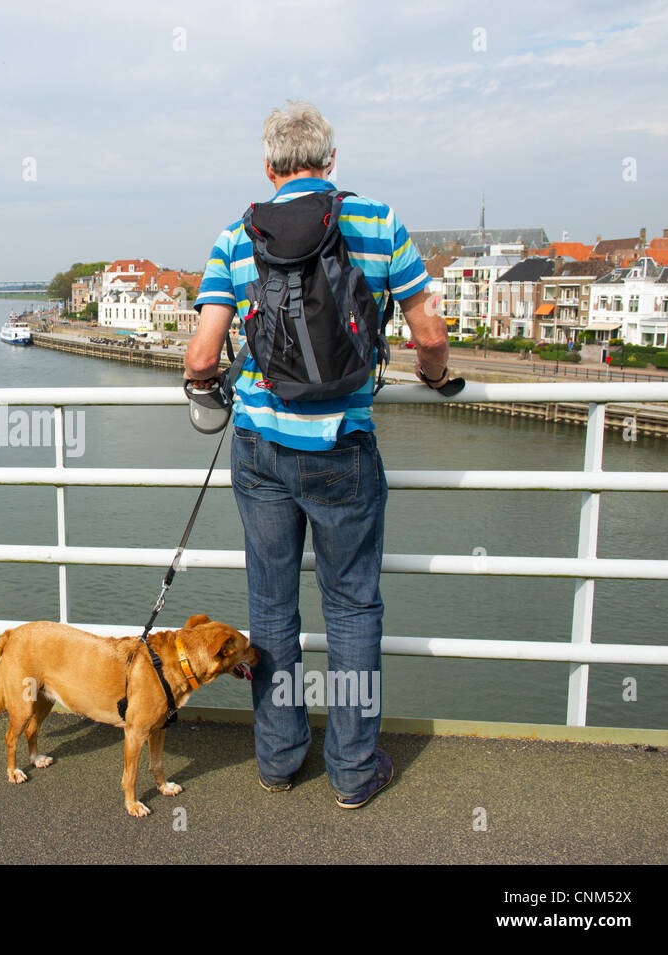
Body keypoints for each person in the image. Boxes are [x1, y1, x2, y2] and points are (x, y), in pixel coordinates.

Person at [183, 101, 451, 809]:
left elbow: (202, 354)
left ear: (269, 169)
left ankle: (276, 759)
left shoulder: (237, 236)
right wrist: (435, 377)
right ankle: (354, 772)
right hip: (345, 448)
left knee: (271, 610)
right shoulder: (378, 222)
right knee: (354, 609)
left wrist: (207, 389)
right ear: (331, 163)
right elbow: (428, 332)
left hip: (262, 448)